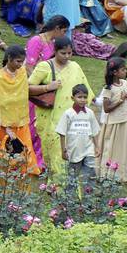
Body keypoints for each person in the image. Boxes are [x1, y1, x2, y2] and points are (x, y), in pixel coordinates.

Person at [29, 35, 91, 180]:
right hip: (52, 121)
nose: (67, 56)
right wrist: (47, 87)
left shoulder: (75, 66)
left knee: (73, 157)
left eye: (70, 53)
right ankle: (60, 191)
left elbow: (85, 91)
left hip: (73, 120)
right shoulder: (45, 66)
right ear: (55, 51)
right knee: (57, 156)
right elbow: (27, 88)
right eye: (63, 53)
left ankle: (67, 191)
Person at [0, 45, 40, 178]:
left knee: (24, 153)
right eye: (18, 61)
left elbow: (23, 95)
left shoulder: (21, 73)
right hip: (1, 124)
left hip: (21, 122)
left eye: (22, 61)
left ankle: (21, 186)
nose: (21, 64)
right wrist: (6, 127)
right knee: (3, 156)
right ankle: (1, 186)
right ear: (9, 59)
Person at [25, 15, 70, 169]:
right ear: (57, 28)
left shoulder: (52, 43)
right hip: (35, 90)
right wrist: (40, 86)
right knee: (33, 125)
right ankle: (31, 159)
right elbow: (29, 66)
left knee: (44, 125)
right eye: (64, 31)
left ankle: (41, 160)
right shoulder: (36, 41)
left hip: (48, 90)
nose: (64, 35)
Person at [96, 56, 127, 182]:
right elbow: (106, 108)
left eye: (125, 69)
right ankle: (108, 172)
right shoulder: (108, 89)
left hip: (125, 119)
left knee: (124, 146)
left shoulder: (125, 83)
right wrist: (120, 101)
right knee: (112, 148)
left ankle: (123, 169)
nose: (125, 72)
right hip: (114, 122)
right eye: (123, 70)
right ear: (115, 72)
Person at [56, 83, 100, 198]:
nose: (82, 100)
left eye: (85, 97)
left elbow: (94, 131)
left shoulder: (90, 113)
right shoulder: (68, 114)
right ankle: (70, 202)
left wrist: (97, 147)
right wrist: (63, 150)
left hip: (88, 150)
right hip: (74, 151)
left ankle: (88, 202)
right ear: (73, 98)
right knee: (72, 179)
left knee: (90, 177)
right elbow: (62, 132)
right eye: (79, 97)